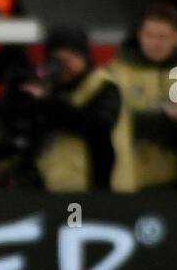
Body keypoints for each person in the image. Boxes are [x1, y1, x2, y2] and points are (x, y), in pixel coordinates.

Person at [106, 3, 177, 191]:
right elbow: (115, 119)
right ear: (140, 36)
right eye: (149, 36)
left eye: (163, 37)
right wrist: (163, 118)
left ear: (175, 38)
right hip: (129, 175)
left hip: (175, 176)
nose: (155, 43)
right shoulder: (118, 71)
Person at [24, 26, 121, 192]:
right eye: (56, 62)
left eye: (68, 61)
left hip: (90, 185)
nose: (64, 68)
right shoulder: (48, 87)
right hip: (44, 183)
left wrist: (50, 105)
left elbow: (99, 126)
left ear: (83, 57)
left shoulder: (102, 85)